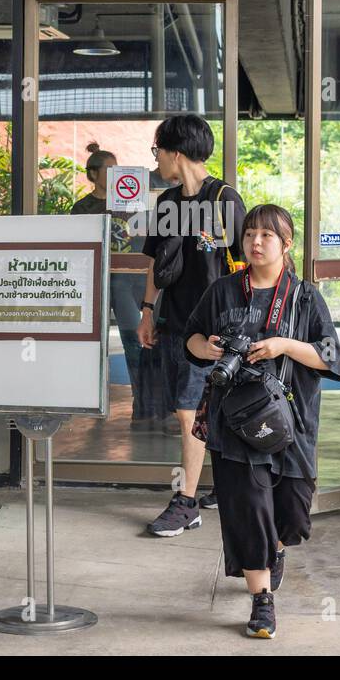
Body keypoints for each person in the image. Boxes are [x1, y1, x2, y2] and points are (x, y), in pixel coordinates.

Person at [184, 204, 340, 639]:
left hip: (291, 422)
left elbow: (329, 356)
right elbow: (192, 338)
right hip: (234, 423)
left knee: (291, 513)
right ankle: (262, 602)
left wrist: (284, 345)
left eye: (266, 236)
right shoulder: (221, 291)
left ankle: (276, 548)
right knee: (248, 510)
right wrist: (211, 350)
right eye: (250, 233)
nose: (255, 242)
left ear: (286, 244)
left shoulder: (305, 296)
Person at [138, 115, 245, 534]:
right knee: (199, 412)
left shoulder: (224, 201)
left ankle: (186, 502)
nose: (157, 159)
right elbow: (154, 261)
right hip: (175, 321)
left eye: (158, 151)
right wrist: (148, 310)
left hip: (215, 329)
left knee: (188, 415)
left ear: (175, 153)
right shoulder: (166, 203)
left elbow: (248, 263)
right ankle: (221, 485)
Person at [70, 143, 149, 430]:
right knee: (95, 345)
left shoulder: (129, 203)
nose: (115, 174)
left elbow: (143, 240)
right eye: (109, 169)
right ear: (94, 173)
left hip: (127, 282)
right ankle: (94, 402)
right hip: (97, 282)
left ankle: (142, 404)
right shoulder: (82, 208)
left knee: (133, 341)